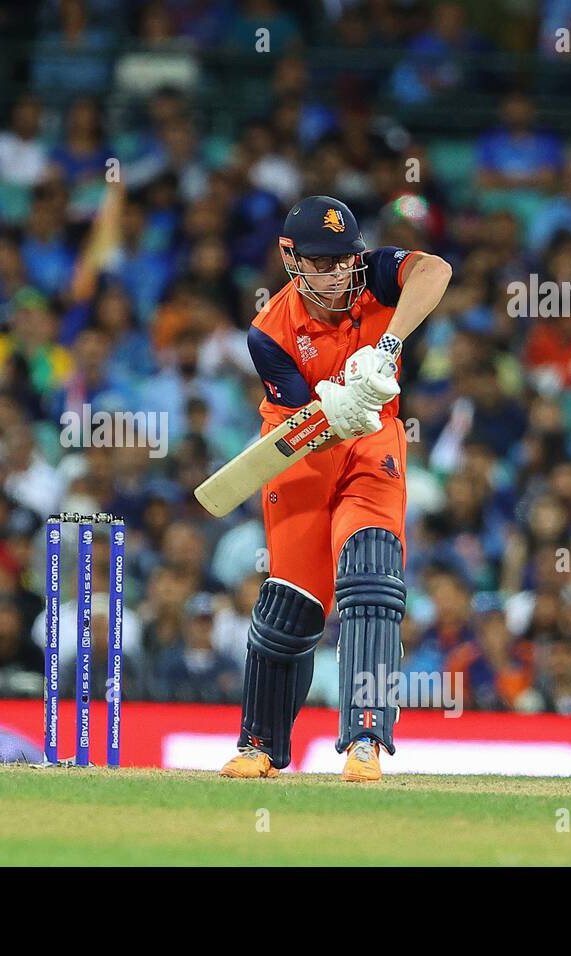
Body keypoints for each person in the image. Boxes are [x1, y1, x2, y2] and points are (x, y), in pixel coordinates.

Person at [218, 196, 451, 783]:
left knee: (373, 580)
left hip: (375, 445)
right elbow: (303, 420)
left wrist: (389, 346)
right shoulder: (269, 331)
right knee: (291, 608)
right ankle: (258, 745)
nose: (336, 273)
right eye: (320, 263)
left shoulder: (374, 274)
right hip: (300, 448)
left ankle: (366, 741)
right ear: (290, 259)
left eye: (343, 259)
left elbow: (437, 271)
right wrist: (341, 405)